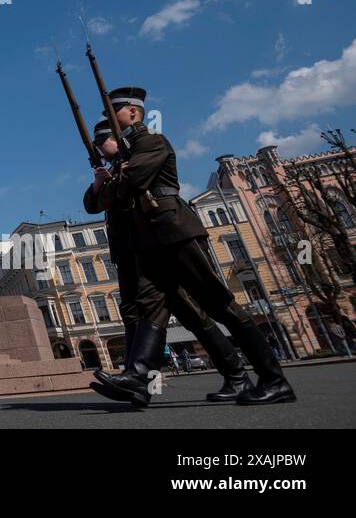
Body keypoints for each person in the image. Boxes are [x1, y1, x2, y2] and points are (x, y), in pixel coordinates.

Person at [91, 86, 295, 405]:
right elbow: (105, 198)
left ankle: (273, 379)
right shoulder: (129, 156)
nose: (108, 122)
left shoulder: (152, 142)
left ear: (133, 112)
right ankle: (138, 376)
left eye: (112, 114)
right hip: (151, 242)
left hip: (175, 233)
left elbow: (131, 184)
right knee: (151, 306)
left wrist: (119, 181)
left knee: (218, 304)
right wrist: (114, 181)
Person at [85, 119, 250, 406]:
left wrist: (112, 184)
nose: (100, 148)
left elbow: (125, 191)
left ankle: (238, 375)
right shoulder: (114, 170)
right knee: (136, 312)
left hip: (158, 244)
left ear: (117, 138)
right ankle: (139, 384)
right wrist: (100, 183)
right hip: (129, 250)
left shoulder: (139, 157)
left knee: (189, 311)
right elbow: (93, 205)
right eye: (97, 144)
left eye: (103, 141)